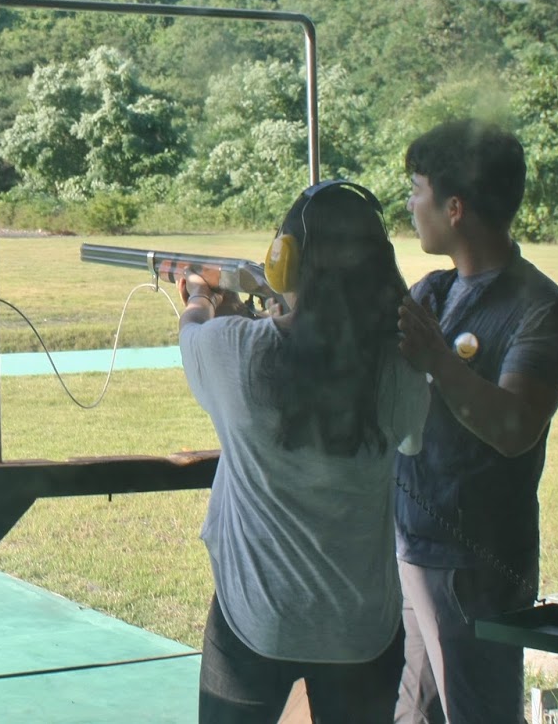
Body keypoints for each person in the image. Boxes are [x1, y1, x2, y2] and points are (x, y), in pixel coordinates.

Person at [179, 180, 430, 724]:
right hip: (363, 630)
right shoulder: (399, 368)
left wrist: (200, 295)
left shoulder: (236, 351)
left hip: (256, 620)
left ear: (285, 264)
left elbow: (195, 334)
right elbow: (407, 435)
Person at [394, 119, 558, 724]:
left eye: (416, 189)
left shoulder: (542, 312)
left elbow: (514, 427)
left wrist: (437, 361)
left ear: (454, 208)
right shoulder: (432, 292)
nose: (409, 203)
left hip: (475, 566)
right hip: (413, 549)